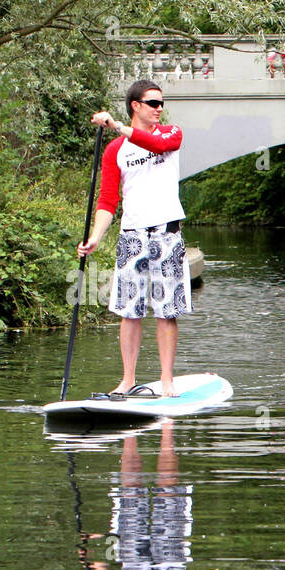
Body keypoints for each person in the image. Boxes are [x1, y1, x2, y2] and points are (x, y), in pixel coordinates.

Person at [77, 80, 190, 398]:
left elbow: (153, 146)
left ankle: (166, 379)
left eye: (161, 103)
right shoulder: (115, 150)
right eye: (152, 103)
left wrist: (116, 126)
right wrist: (95, 237)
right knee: (130, 311)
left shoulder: (170, 134)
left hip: (166, 234)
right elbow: (107, 200)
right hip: (132, 236)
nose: (159, 109)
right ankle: (127, 380)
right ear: (135, 105)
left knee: (167, 311)